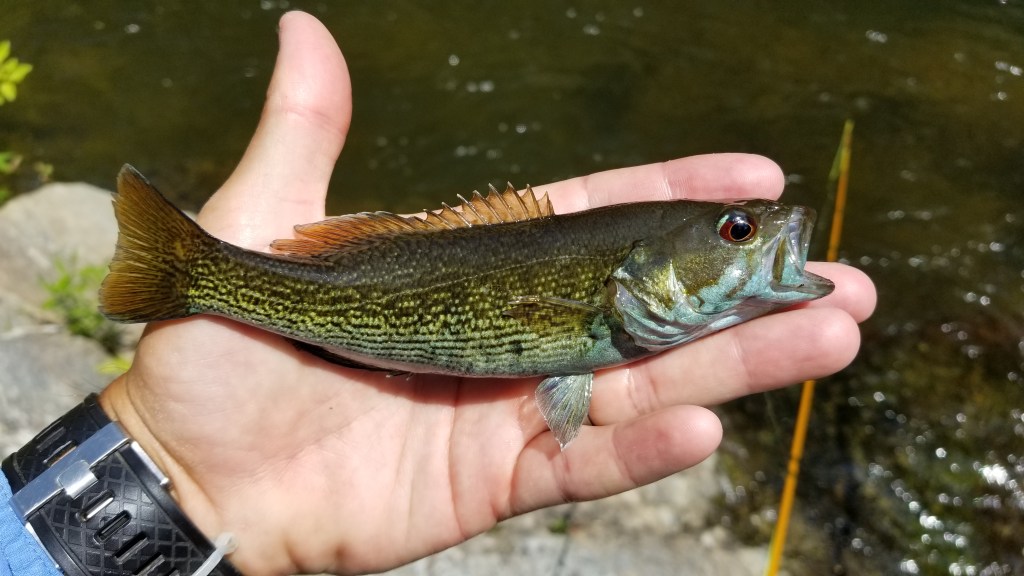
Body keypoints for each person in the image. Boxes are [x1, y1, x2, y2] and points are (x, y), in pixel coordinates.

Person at [1, 11, 875, 576]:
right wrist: (165, 453)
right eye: (737, 231)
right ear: (637, 271)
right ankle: (188, 273)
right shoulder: (608, 300)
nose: (760, 234)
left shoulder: (620, 300)